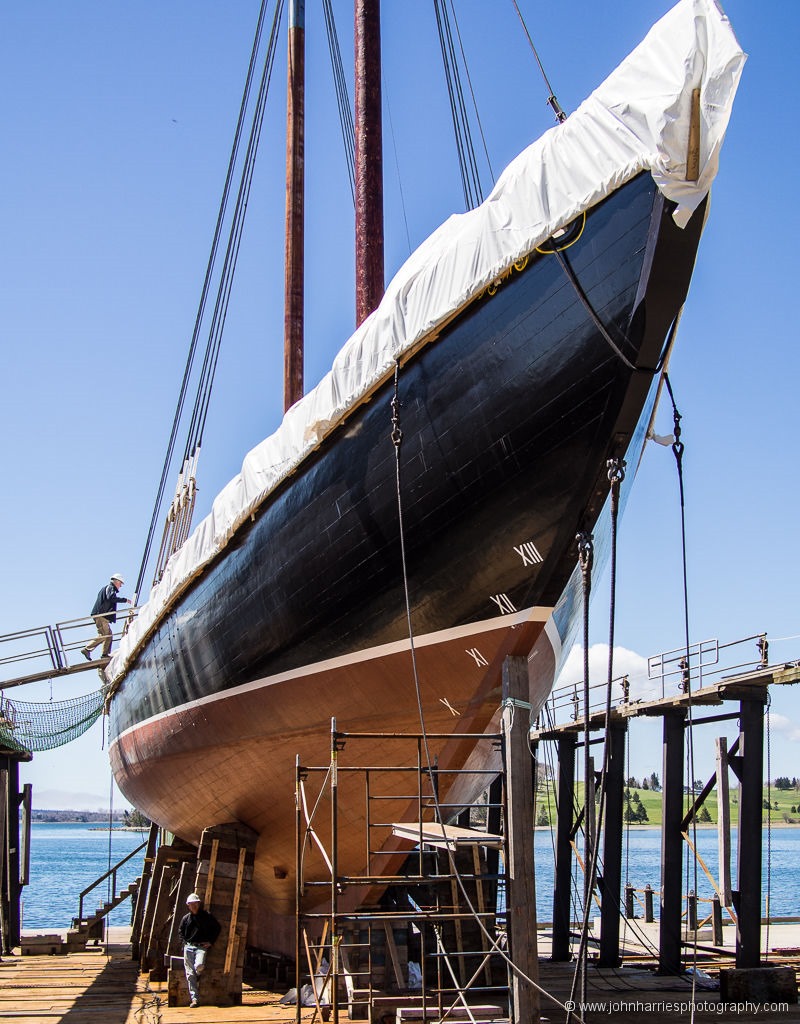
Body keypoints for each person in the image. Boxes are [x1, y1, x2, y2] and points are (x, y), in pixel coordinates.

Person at [179, 892, 221, 1008]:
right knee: (189, 974)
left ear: (199, 904)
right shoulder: (186, 919)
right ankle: (195, 999)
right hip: (189, 946)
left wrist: (211, 942)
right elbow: (180, 932)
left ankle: (198, 974)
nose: (194, 906)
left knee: (199, 965)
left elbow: (217, 928)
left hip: (201, 947)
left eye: (196, 904)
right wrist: (184, 944)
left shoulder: (207, 916)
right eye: (191, 904)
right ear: (188, 905)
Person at [81, 573, 131, 661]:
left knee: (109, 635)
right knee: (105, 635)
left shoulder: (108, 588)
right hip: (101, 615)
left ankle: (105, 654)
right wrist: (125, 600)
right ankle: (87, 649)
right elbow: (110, 598)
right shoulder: (110, 588)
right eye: (121, 583)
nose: (121, 586)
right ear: (116, 581)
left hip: (102, 615)